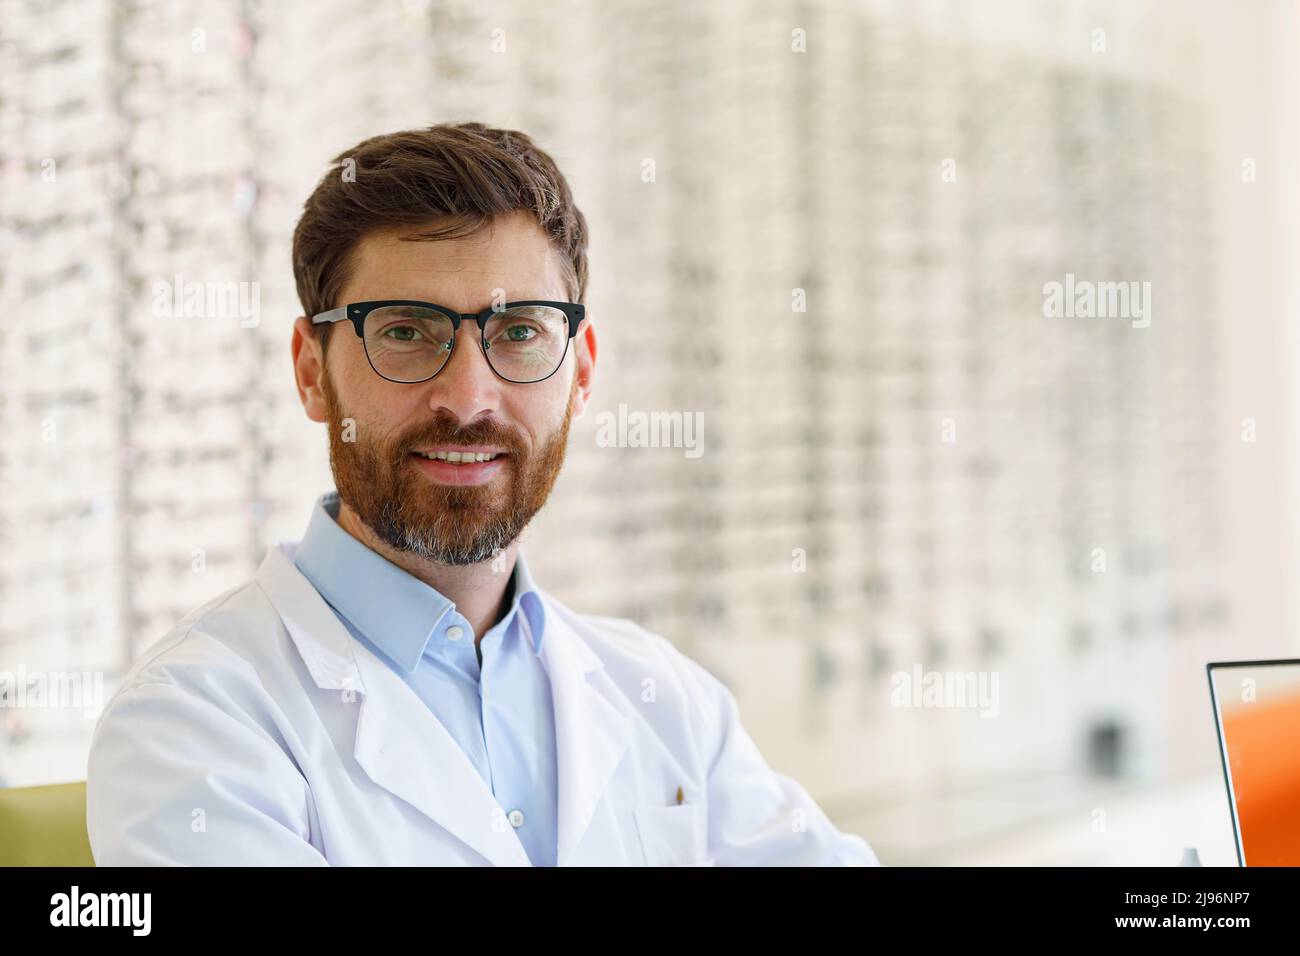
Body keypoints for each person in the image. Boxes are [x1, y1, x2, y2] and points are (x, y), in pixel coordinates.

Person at [86, 122, 880, 866]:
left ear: (582, 371)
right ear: (309, 371)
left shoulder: (666, 700)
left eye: (519, 332)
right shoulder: (192, 722)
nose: (467, 399)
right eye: (404, 331)